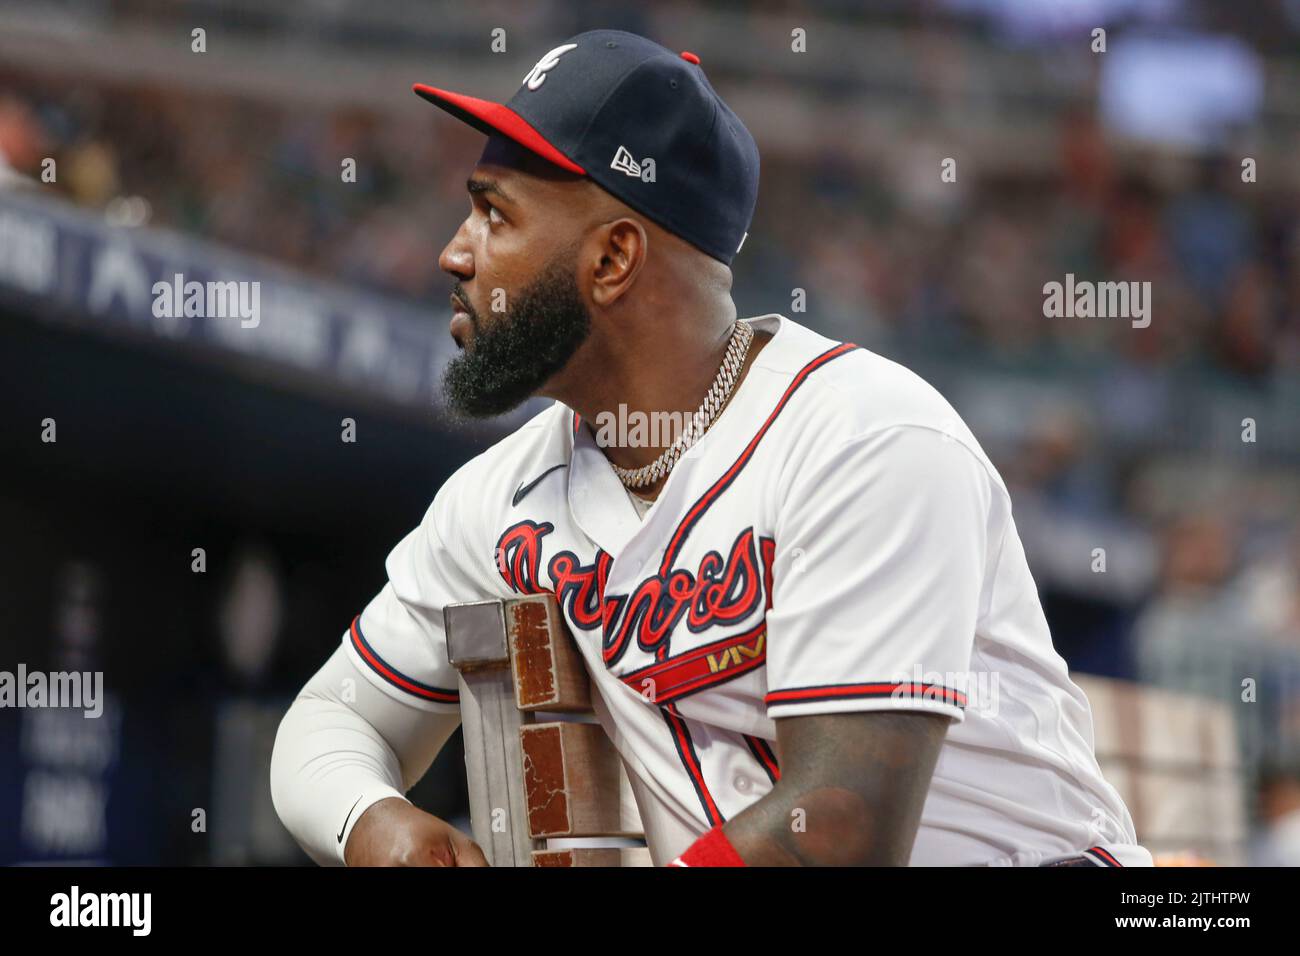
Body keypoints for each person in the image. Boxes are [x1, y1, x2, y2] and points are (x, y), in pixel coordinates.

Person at [271, 29, 1148, 867]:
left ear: (613, 259)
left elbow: (837, 829)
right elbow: (329, 723)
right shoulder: (499, 499)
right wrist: (375, 823)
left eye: (494, 216)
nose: (453, 253)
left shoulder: (866, 438)